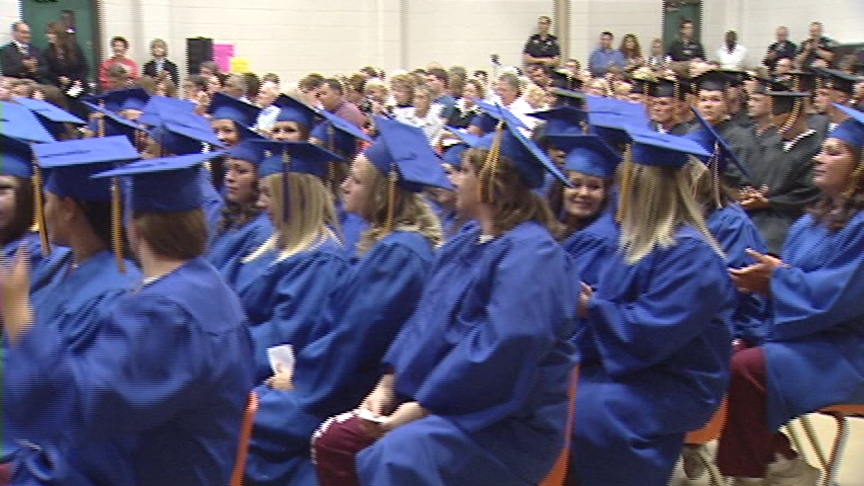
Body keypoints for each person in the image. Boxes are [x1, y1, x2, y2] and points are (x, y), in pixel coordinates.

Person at [313, 108, 578, 486]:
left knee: (397, 457)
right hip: (444, 402)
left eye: (465, 171)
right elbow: (424, 322)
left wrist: (423, 408)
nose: (452, 179)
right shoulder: (466, 241)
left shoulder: (532, 256)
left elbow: (502, 350)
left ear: (490, 185)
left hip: (503, 421)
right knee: (337, 441)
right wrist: (389, 383)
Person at [1, 148, 255, 486]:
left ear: (132, 224)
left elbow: (72, 406)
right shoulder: (205, 287)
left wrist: (18, 315)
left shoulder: (168, 313)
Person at [246, 118, 447, 486]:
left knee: (244, 423)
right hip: (334, 378)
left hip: (343, 394)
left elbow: (354, 340)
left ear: (382, 194)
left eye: (356, 180)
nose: (343, 185)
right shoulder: (392, 245)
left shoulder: (398, 254)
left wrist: (301, 378)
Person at [569, 127, 735, 486]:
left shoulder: (693, 256)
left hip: (674, 379)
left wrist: (591, 308)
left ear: (644, 190)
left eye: (625, 186)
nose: (617, 196)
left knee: (588, 414)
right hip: (629, 364)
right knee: (542, 389)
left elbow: (653, 330)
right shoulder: (635, 243)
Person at [717, 106, 864, 486]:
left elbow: (840, 295)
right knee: (722, 351)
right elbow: (799, 275)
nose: (818, 156)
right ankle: (777, 459)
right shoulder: (814, 216)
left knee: (746, 369)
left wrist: (776, 281)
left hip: (847, 348)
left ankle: (754, 470)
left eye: (834, 151)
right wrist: (767, 276)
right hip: (808, 333)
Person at [207, 139, 272, 273]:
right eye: (228, 169)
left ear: (260, 180)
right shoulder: (229, 216)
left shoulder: (263, 230)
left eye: (241, 171)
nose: (229, 177)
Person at [40, 22, 87, 114]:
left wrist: (78, 80)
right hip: (59, 88)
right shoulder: (47, 52)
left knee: (77, 108)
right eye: (47, 33)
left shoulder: (74, 48)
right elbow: (48, 72)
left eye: (51, 33)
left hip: (76, 86)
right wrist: (58, 79)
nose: (48, 36)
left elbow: (84, 67)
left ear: (59, 35)